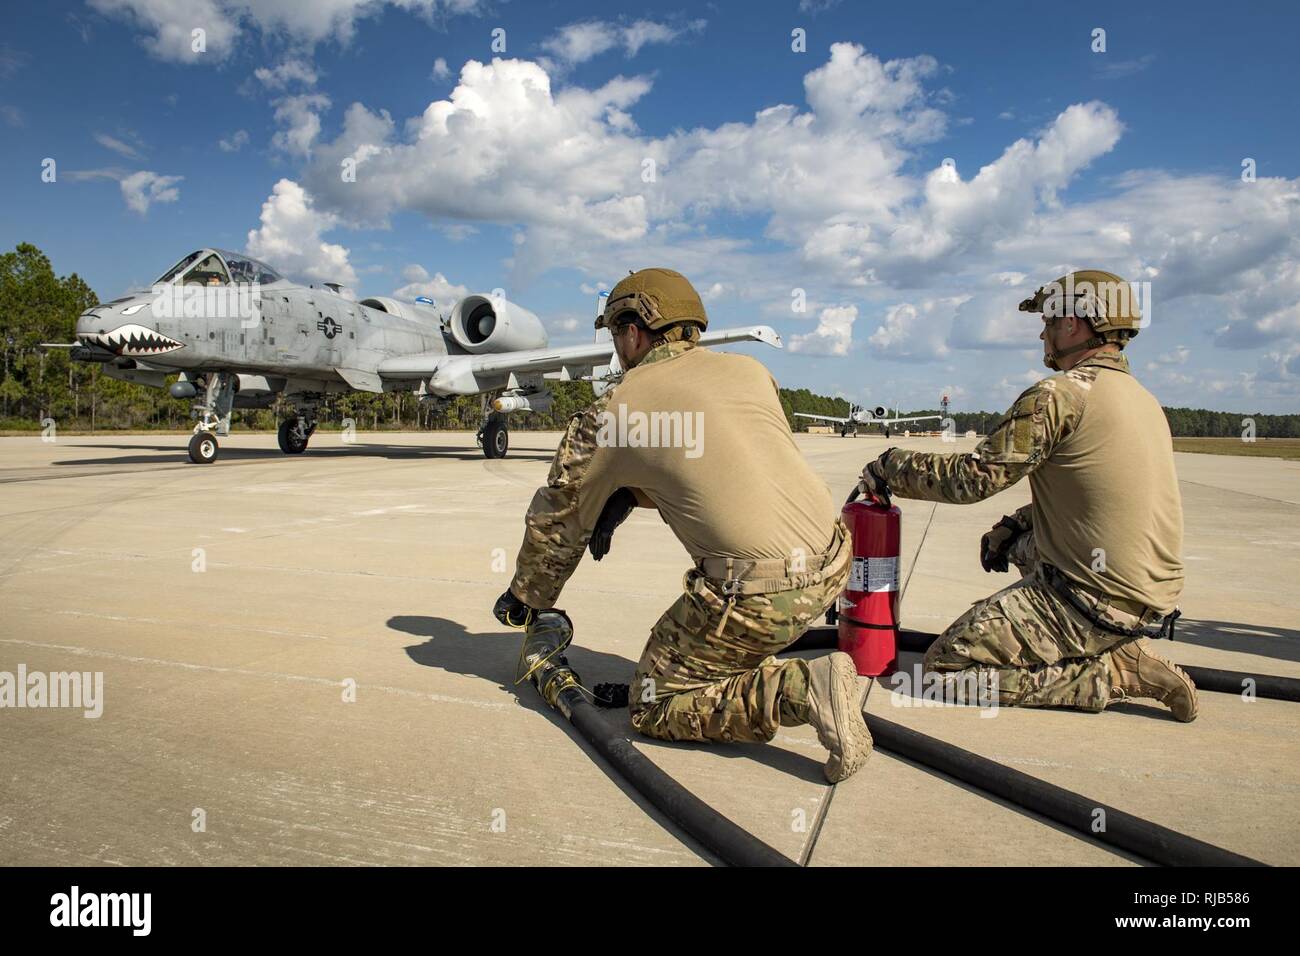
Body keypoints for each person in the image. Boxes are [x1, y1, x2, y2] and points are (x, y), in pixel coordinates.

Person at [494, 268, 872, 781]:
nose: (616, 348)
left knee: (653, 705)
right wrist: (627, 494)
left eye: (614, 334)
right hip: (832, 566)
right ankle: (746, 658)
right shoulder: (749, 371)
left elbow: (558, 518)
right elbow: (720, 464)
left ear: (632, 331)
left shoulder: (613, 410)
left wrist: (529, 595)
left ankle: (804, 690)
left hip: (761, 595)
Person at [859, 270, 1197, 721]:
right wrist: (1017, 523)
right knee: (1015, 541)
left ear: (1075, 323)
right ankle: (1104, 638)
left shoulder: (1059, 395)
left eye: (1049, 322)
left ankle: (1111, 672)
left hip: (1096, 598)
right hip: (1145, 591)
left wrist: (890, 466)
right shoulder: (1141, 398)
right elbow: (1091, 494)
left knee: (943, 668)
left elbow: (974, 479)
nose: (1043, 333)